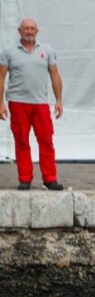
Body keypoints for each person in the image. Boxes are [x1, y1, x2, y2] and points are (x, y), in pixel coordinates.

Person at [0, 18, 64, 191]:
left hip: (40, 103)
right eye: (26, 28)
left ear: (37, 31)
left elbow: (55, 75)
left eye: (32, 28)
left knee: (46, 140)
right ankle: (25, 179)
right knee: (21, 141)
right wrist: (1, 104)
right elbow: (1, 77)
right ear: (19, 31)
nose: (29, 31)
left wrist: (58, 100)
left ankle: (50, 179)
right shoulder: (8, 51)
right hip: (17, 102)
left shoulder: (47, 50)